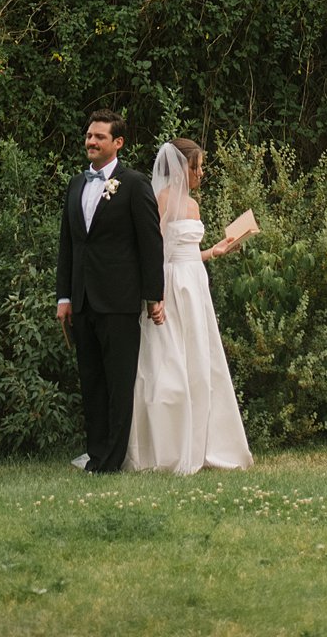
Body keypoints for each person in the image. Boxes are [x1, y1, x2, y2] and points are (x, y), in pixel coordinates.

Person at [125, 138, 252, 473]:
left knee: (197, 361)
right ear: (184, 167)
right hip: (172, 285)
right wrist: (157, 294)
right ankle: (164, 447)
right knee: (167, 365)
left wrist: (216, 251)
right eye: (198, 166)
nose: (202, 172)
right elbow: (155, 252)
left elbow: (189, 252)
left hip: (195, 284)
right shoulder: (161, 200)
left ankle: (203, 441)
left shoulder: (193, 204)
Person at [56, 110, 166, 474]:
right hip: (82, 300)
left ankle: (112, 461)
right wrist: (64, 298)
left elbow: (151, 243)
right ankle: (96, 454)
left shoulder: (133, 184)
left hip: (118, 300)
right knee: (91, 383)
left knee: (119, 385)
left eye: (99, 137)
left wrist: (154, 295)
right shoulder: (76, 184)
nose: (90, 141)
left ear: (117, 143)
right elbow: (69, 246)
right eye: (89, 135)